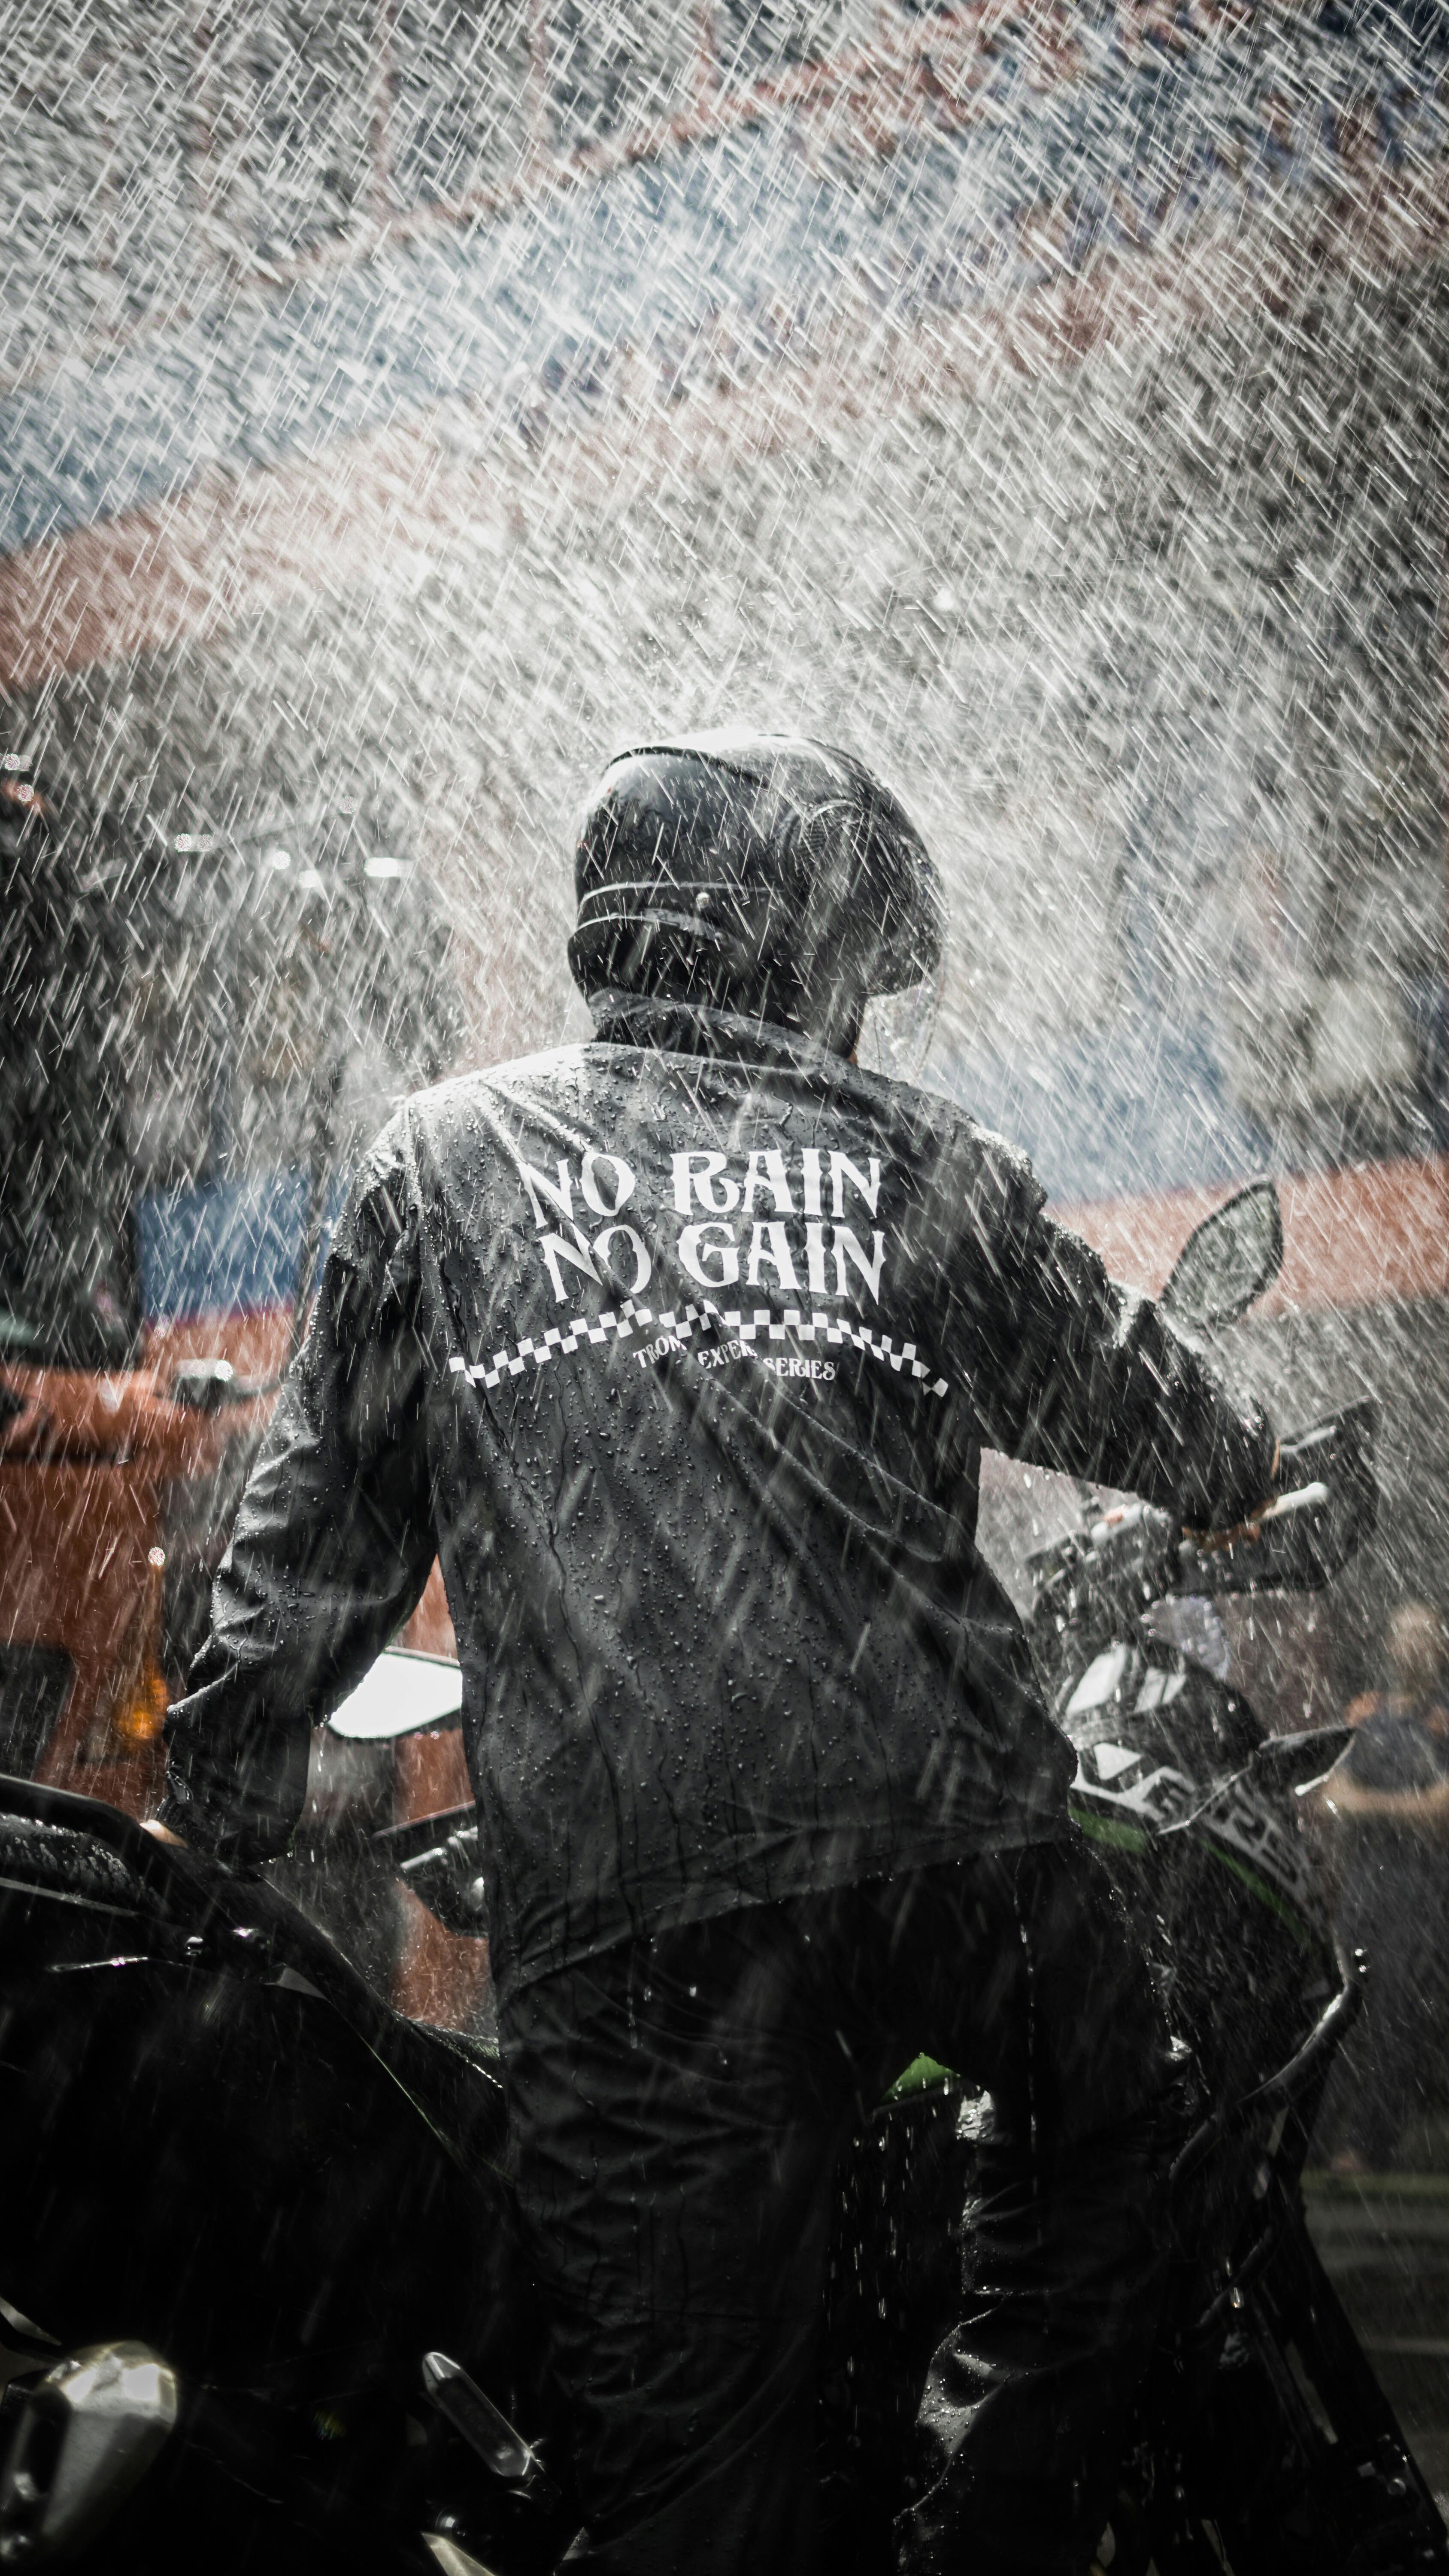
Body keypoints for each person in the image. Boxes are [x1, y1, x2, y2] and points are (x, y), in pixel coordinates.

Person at [155, 731, 1278, 2576]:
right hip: (955, 1851)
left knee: (692, 2469)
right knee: (1132, 2146)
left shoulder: (443, 1164)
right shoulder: (927, 1160)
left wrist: (224, 1794)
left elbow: (305, 1558)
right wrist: (1246, 1477)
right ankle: (970, 2521)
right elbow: (1179, 1431)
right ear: (796, 946)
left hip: (635, 1902)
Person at [1310, 1601, 1449, 2175]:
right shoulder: (1367, 1716)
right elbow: (1330, 1797)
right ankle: (1314, 2142)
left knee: (1399, 2022)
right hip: (1366, 1887)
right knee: (1338, 2018)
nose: (1412, 1645)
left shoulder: (1445, 1720)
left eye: (1424, 1636)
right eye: (1403, 1635)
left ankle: (1366, 2148)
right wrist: (1402, 1808)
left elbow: (1441, 1815)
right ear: (1390, 1646)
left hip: (1425, 1894)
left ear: (1439, 1647)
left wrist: (1366, 1805)